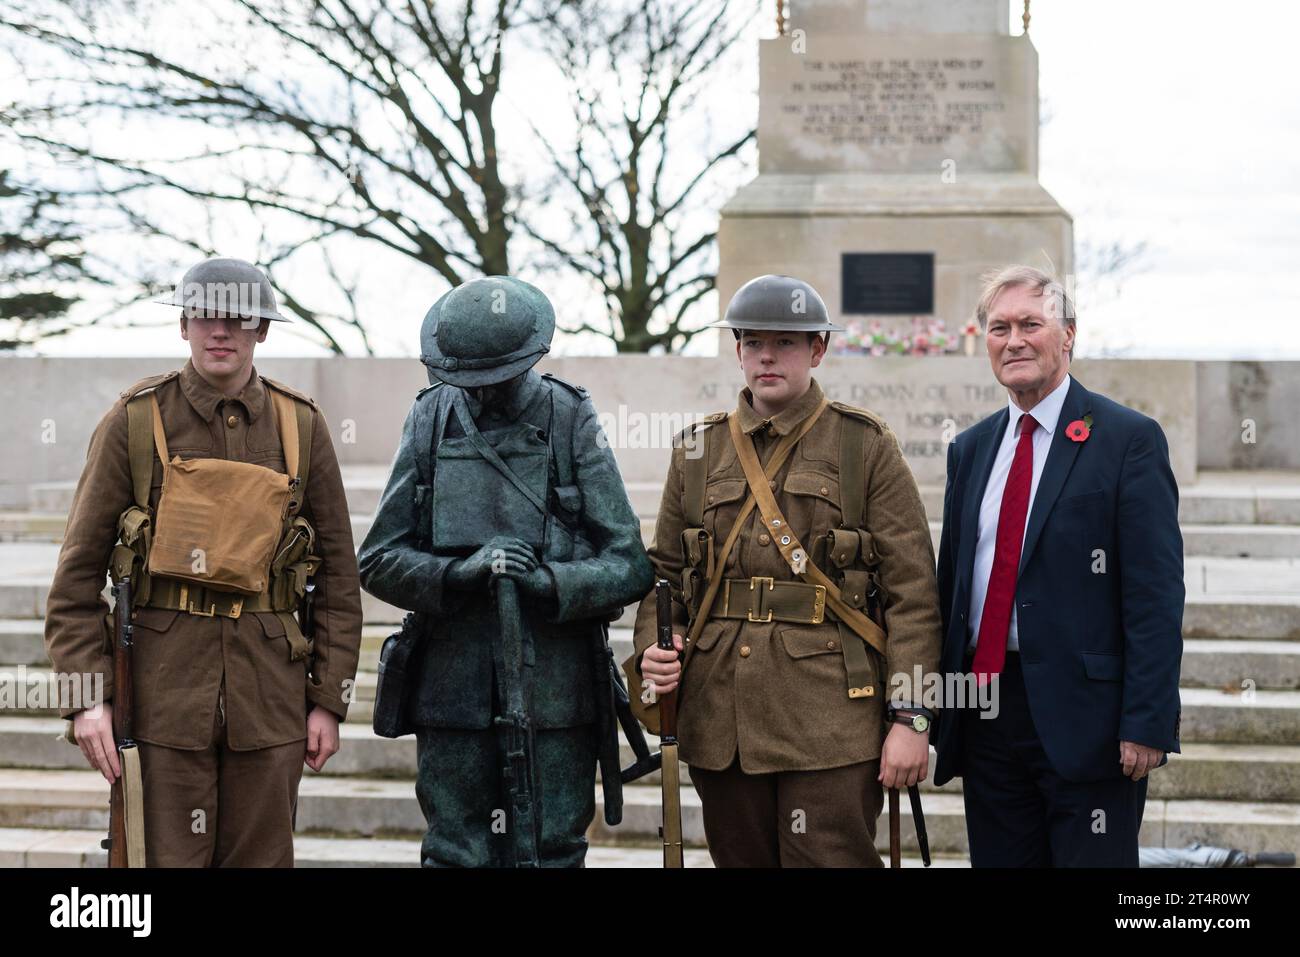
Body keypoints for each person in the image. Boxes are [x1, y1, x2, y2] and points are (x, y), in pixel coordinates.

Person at [45, 256, 363, 867]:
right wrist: (87, 699)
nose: (221, 331)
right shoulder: (136, 420)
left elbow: (340, 578)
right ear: (184, 325)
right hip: (161, 693)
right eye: (206, 317)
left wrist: (329, 699)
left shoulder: (302, 426)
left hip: (270, 695)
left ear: (261, 331)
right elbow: (76, 577)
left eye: (238, 319)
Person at [632, 274, 942, 867]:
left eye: (787, 343)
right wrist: (656, 646)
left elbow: (913, 594)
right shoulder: (697, 449)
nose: (767, 356)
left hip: (829, 718)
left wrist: (912, 716)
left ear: (818, 350)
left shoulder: (863, 445)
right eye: (753, 343)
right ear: (739, 351)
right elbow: (665, 574)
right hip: (722, 717)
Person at [358, 275, 653, 867]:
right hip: (453, 690)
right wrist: (458, 573)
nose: (479, 394)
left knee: (552, 851)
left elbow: (627, 563)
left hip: (555, 690)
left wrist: (550, 582)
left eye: (493, 380)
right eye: (465, 380)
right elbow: (379, 558)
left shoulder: (570, 418)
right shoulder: (429, 418)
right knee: (455, 853)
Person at [933, 264, 1183, 867]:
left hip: (1089, 723)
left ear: (1068, 335)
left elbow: (1154, 594)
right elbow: (951, 588)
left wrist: (1147, 720)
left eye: (1030, 324)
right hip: (986, 712)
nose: (1013, 340)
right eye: (998, 327)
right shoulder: (970, 449)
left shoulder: (1127, 439)